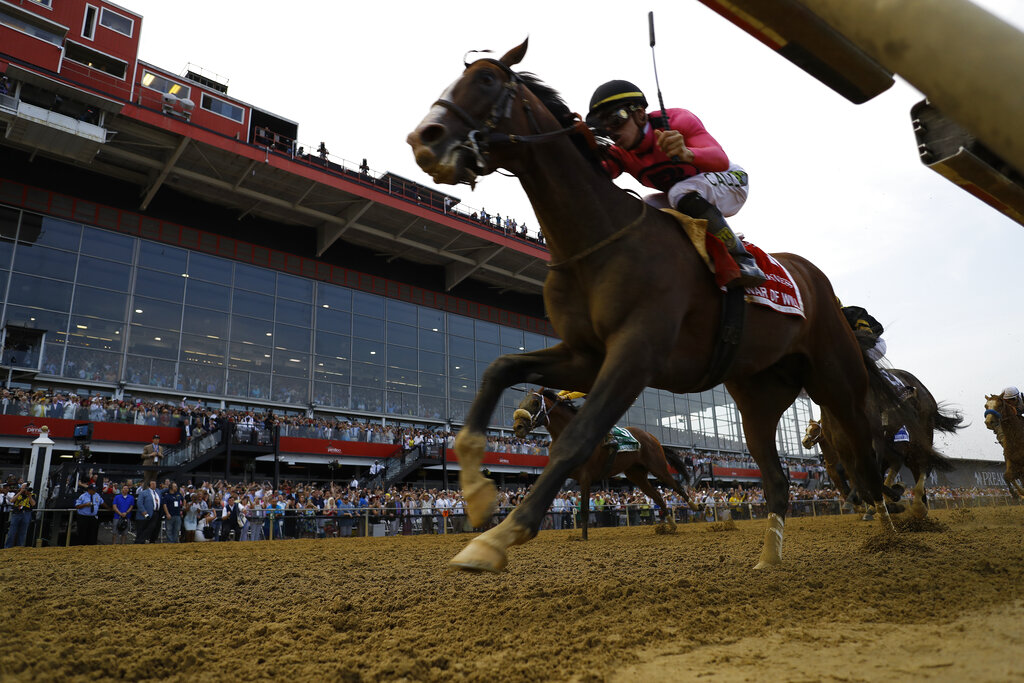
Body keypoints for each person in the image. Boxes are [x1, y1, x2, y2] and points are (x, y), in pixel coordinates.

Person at [585, 80, 765, 288]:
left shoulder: (676, 120)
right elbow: (594, 178)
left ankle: (742, 259)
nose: (612, 132)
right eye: (603, 127)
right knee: (643, 209)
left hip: (731, 180)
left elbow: (720, 159)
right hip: (686, 195)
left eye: (617, 119)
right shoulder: (619, 153)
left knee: (679, 192)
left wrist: (688, 154)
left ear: (640, 113)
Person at [4, 483, 35, 548]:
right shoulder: (17, 494)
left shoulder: (31, 495)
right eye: (24, 488)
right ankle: (8, 547)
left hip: (26, 513)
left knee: (23, 532)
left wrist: (29, 496)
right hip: (17, 513)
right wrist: (20, 492)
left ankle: (19, 547)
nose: (26, 489)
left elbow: (33, 504)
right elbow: (12, 500)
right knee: (12, 531)